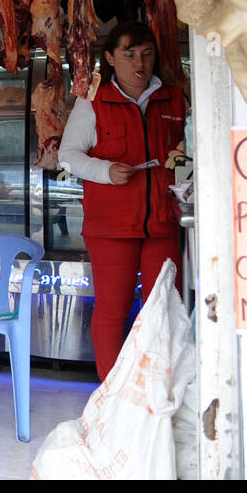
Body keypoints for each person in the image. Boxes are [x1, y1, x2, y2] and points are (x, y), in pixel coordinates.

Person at [58, 21, 188, 382]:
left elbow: (190, 152)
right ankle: (111, 398)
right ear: (111, 58)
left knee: (162, 311)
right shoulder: (93, 99)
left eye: (146, 54)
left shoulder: (174, 98)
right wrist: (104, 170)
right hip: (111, 227)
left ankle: (156, 392)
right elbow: (68, 155)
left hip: (162, 222)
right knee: (113, 312)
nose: (139, 64)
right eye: (129, 55)